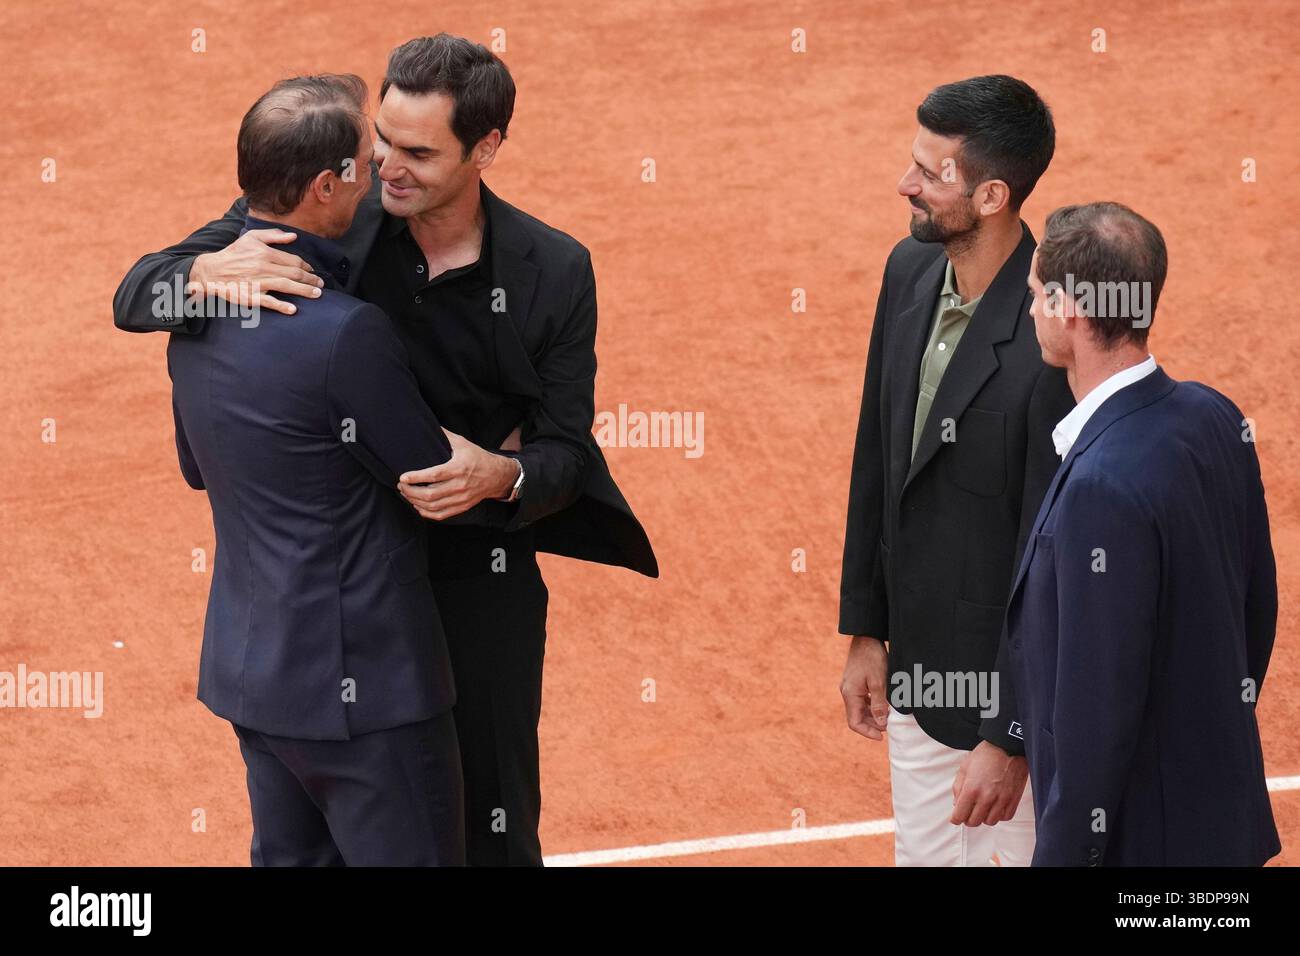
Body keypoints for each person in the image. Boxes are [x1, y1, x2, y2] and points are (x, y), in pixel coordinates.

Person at [114, 34, 657, 866]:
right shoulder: (334, 208)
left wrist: (501, 474)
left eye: (416, 151)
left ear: (487, 149)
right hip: (352, 588)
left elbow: (567, 453)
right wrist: (195, 281)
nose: (387, 165)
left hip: (476, 589)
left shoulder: (553, 270)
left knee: (491, 828)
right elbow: (137, 289)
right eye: (381, 141)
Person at [167, 74, 469, 865]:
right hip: (367, 694)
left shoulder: (197, 309)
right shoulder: (347, 334)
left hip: (256, 680)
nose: (379, 173)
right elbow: (430, 475)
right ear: (326, 186)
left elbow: (200, 468)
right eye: (364, 165)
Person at [838, 75, 1074, 866]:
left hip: (1000, 722)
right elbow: (878, 459)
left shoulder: (1054, 344)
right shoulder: (908, 271)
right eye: (915, 160)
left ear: (992, 196)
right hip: (917, 685)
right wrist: (867, 632)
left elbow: (1049, 562)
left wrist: (1008, 735)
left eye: (933, 173)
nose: (907, 183)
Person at [1006, 201, 1280, 866]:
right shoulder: (1214, 416)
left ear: (1072, 308)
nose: (1032, 307)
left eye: (1039, 294)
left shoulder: (1101, 482)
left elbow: (1095, 711)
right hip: (1217, 824)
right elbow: (1256, 607)